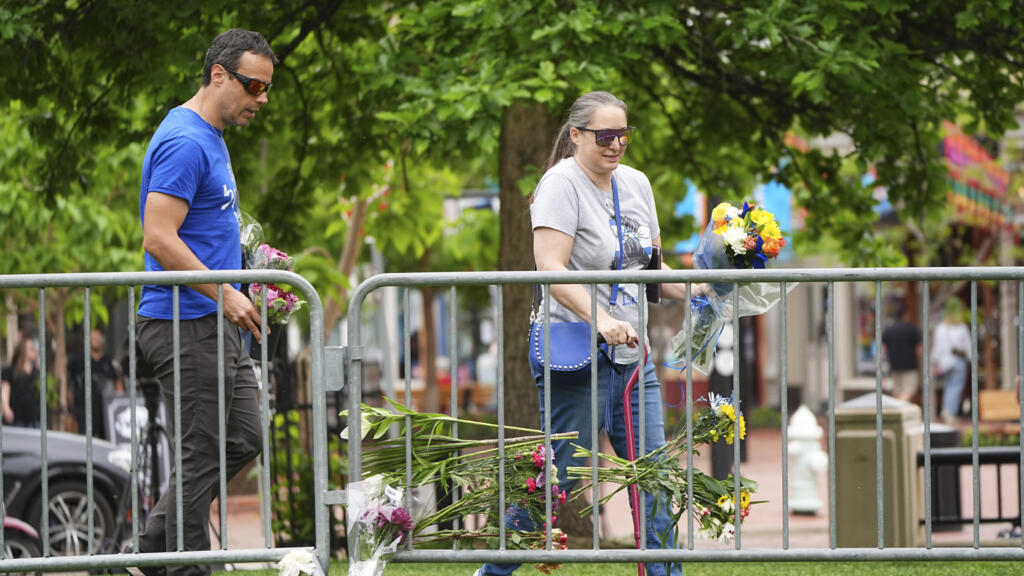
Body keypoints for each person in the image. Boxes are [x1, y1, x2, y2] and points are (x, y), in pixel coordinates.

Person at [477, 91, 688, 576]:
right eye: (605, 136)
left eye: (623, 136)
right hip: (577, 354)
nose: (616, 145)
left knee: (653, 478)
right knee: (555, 481)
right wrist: (602, 319)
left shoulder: (637, 184)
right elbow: (549, 267)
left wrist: (708, 290)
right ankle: (492, 571)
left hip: (634, 360)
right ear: (575, 135)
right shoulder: (560, 184)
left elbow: (651, 267)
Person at [133, 29, 276, 576]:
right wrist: (225, 293)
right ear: (219, 74)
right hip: (182, 322)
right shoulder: (186, 141)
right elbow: (158, 237)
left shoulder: (211, 134)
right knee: (200, 455)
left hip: (214, 319)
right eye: (253, 86)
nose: (261, 99)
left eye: (266, 88)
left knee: (243, 436)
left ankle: (149, 552)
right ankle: (185, 568)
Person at [68, 329, 124, 438]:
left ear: (102, 342)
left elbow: (118, 383)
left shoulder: (109, 361)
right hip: (84, 410)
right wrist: (71, 409)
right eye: (92, 338)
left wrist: (119, 400)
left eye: (98, 338)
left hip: (105, 410)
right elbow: (69, 385)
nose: (95, 341)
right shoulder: (78, 361)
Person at [931, 298, 971, 424]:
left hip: (945, 362)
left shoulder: (941, 328)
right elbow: (968, 347)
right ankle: (950, 411)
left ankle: (946, 409)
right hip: (959, 360)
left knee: (949, 385)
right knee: (956, 386)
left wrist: (934, 361)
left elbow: (937, 347)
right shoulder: (962, 327)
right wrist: (972, 359)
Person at [881, 303, 922, 403]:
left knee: (897, 391)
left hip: (894, 365)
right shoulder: (911, 329)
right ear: (905, 315)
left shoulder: (888, 330)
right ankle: (900, 407)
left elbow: (882, 350)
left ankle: (898, 408)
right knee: (909, 390)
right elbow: (919, 350)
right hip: (910, 366)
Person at [1, 334, 41, 428]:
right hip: (16, 421)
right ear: (23, 352)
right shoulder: (10, 371)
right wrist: (6, 408)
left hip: (34, 421)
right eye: (31, 348)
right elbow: (5, 388)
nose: (34, 351)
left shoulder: (37, 373)